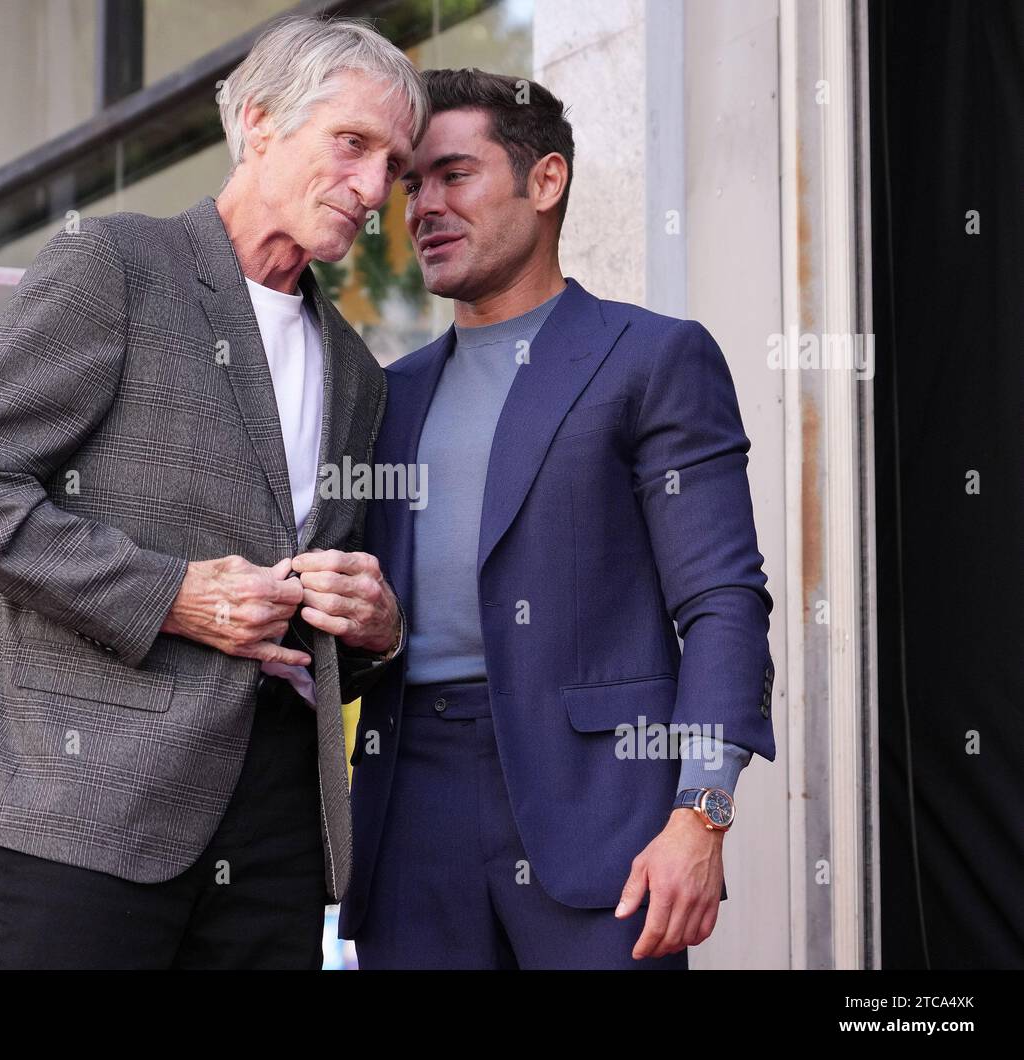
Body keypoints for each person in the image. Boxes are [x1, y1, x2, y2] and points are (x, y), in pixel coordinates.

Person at [0, 14, 417, 969]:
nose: (375, 187)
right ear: (259, 121)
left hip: (277, 830)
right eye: (354, 143)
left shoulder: (358, 370)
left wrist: (377, 632)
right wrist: (169, 596)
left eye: (395, 163)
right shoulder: (118, 265)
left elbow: (317, 621)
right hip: (86, 808)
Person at [327, 68, 777, 969]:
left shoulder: (652, 358)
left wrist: (704, 813)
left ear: (545, 182)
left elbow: (724, 601)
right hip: (409, 814)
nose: (422, 207)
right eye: (414, 186)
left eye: (454, 175)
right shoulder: (386, 394)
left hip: (601, 819)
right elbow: (363, 621)